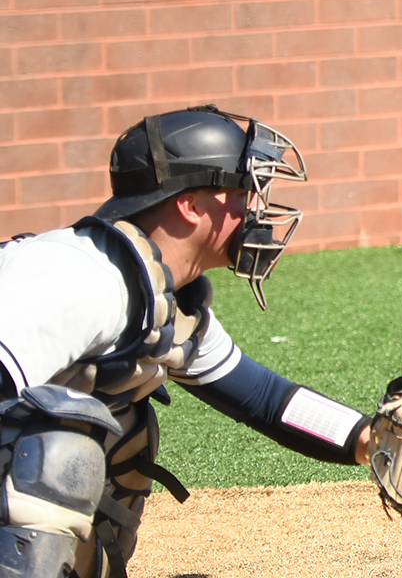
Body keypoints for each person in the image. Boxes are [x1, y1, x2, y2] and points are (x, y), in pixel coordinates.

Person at [0, 107, 375, 578]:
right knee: (54, 448)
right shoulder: (77, 277)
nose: (256, 209)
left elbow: (263, 398)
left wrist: (371, 439)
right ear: (192, 205)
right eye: (244, 191)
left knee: (124, 425)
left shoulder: (164, 299)